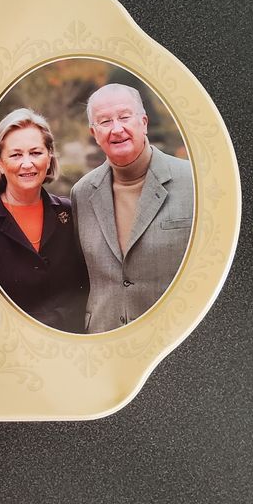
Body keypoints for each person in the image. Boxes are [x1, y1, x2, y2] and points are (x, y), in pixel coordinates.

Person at [70, 83, 193, 333]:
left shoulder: (192, 181)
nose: (117, 129)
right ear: (94, 133)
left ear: (143, 122)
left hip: (173, 334)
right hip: (105, 338)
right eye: (105, 121)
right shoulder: (81, 193)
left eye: (125, 117)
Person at [0, 108, 88, 333]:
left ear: (49, 155)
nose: (27, 164)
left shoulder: (69, 213)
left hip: (67, 345)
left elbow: (82, 288)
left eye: (35, 153)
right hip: (7, 345)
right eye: (16, 155)